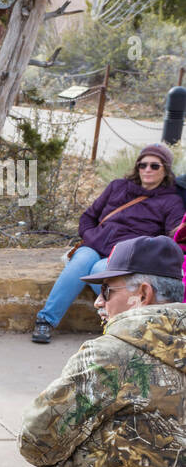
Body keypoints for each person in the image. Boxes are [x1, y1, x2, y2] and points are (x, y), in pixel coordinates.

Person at [0, 235, 186, 467]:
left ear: (143, 294)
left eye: (107, 290)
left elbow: (36, 442)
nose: (98, 302)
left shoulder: (110, 353)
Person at [31, 144, 184, 343]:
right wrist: (92, 236)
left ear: (165, 169)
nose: (147, 170)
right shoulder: (118, 187)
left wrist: (140, 252)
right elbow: (88, 217)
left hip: (128, 256)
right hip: (96, 245)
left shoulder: (171, 201)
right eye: (143, 165)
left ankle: (117, 323)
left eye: (154, 166)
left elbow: (170, 240)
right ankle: (46, 320)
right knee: (81, 262)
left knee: (100, 270)